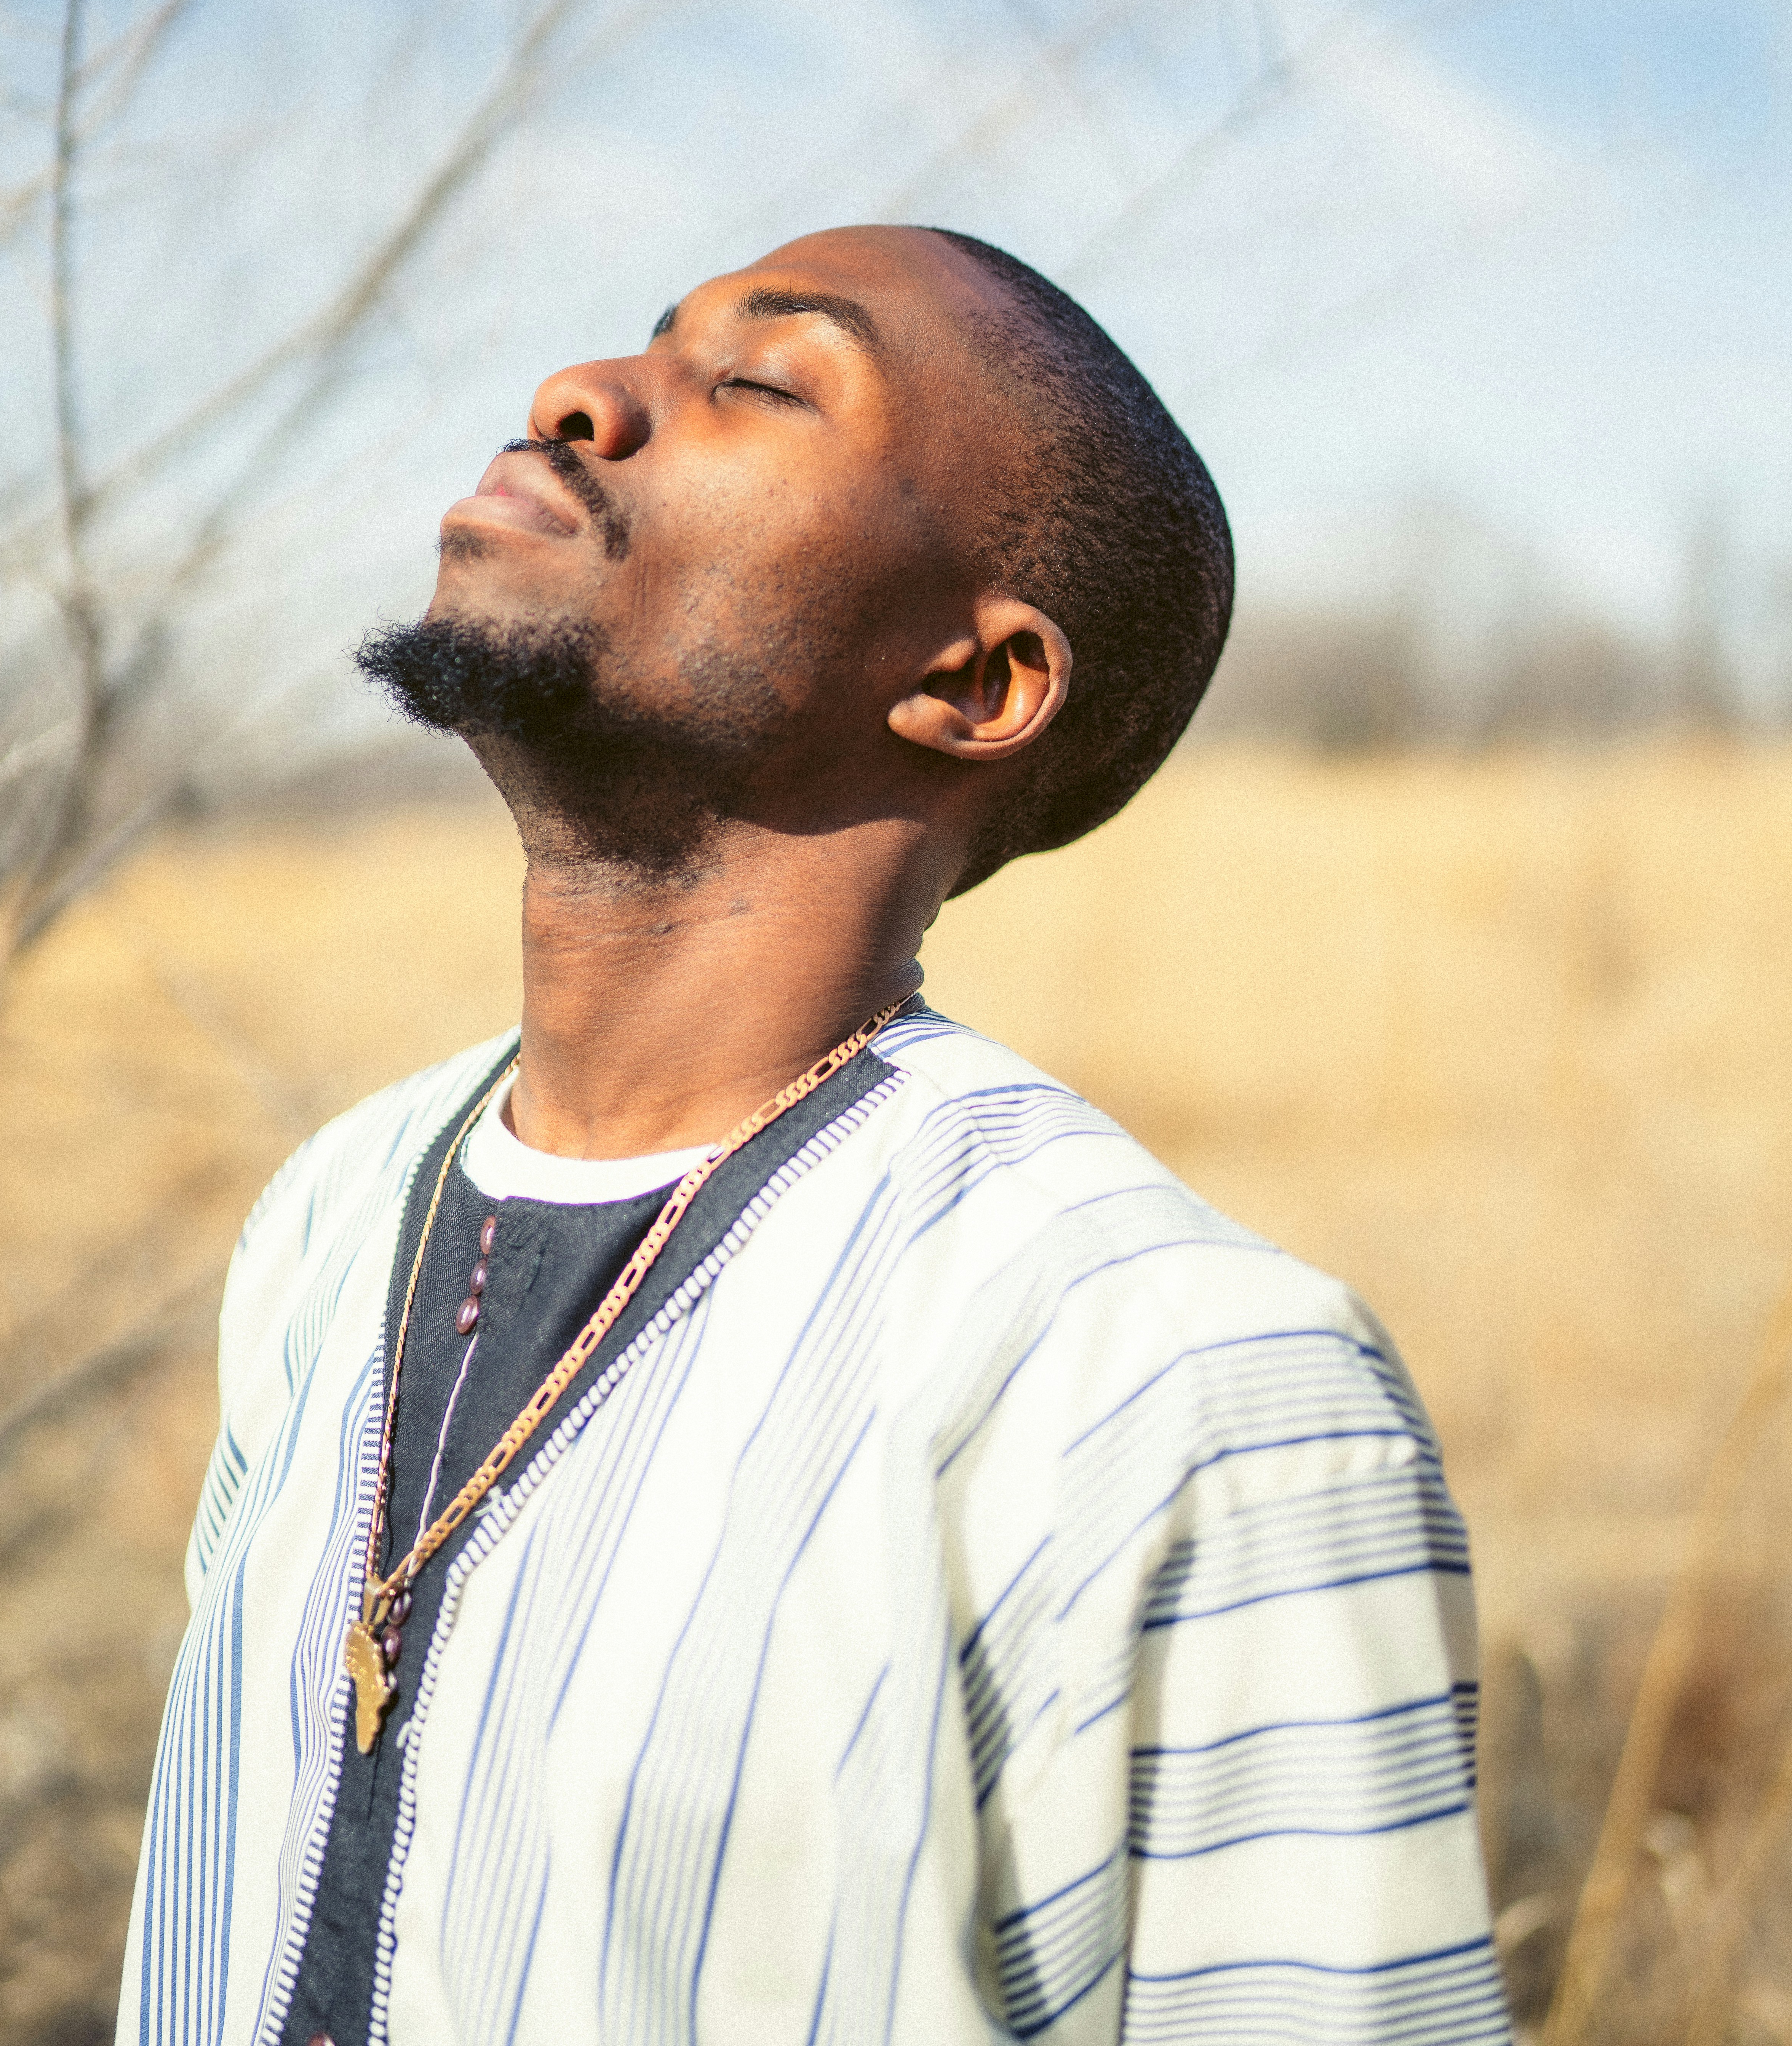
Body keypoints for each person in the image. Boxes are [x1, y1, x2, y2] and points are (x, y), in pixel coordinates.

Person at [117, 226, 1510, 2046]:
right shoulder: (337, 1213)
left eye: (758, 383)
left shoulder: (1176, 1382)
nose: (578, 399)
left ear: (975, 680)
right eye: (643, 345)